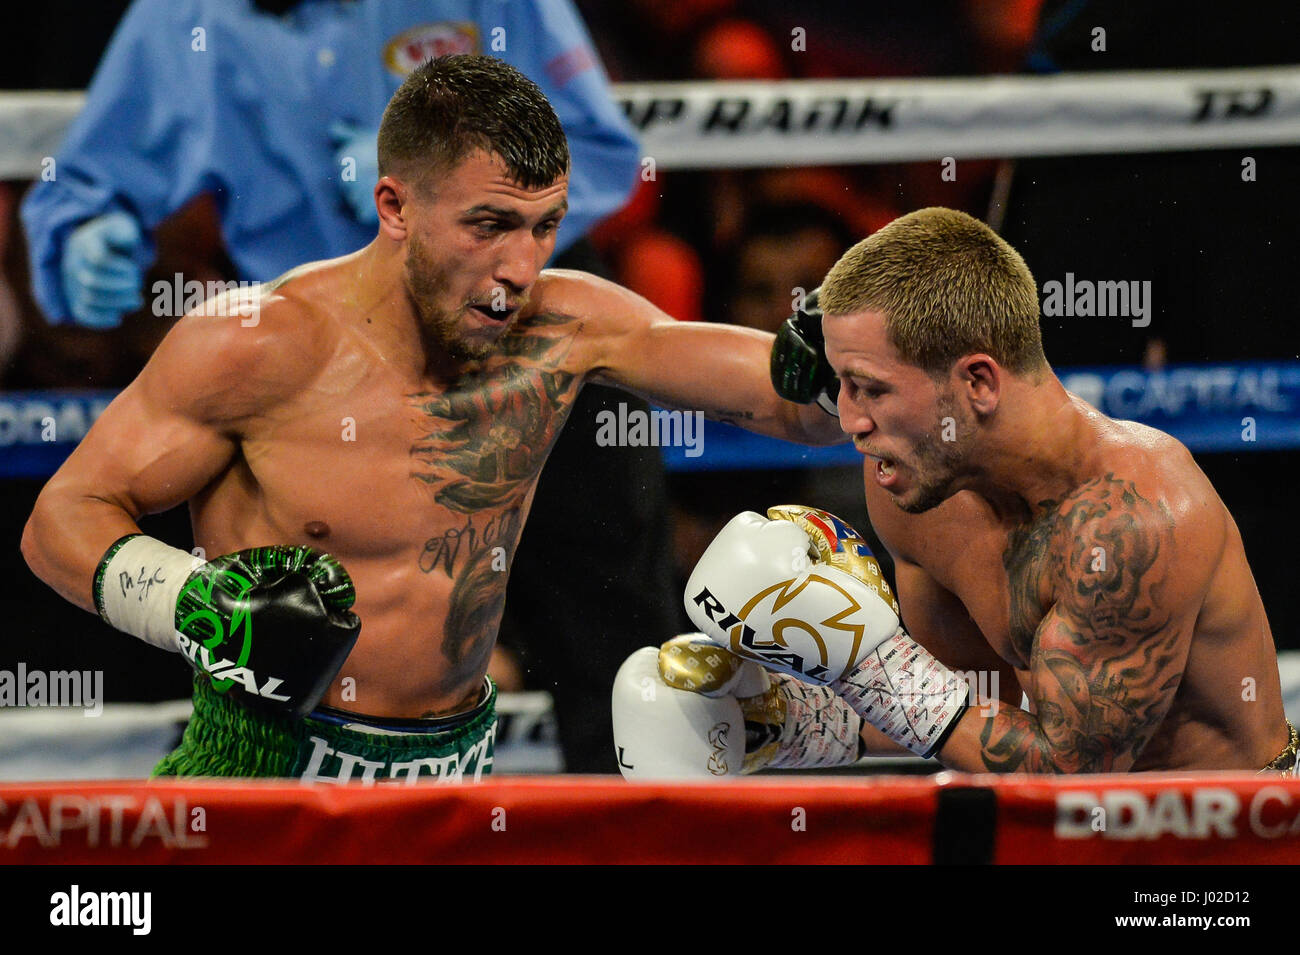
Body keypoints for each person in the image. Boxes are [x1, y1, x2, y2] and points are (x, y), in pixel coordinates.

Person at [20, 55, 841, 782]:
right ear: (395, 206)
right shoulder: (256, 345)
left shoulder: (568, 329)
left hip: (450, 783)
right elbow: (60, 518)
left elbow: (796, 407)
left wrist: (832, 363)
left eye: (542, 226)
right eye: (487, 226)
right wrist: (193, 602)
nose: (518, 268)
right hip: (267, 772)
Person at [619, 207, 1294, 777]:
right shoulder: (914, 487)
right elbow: (973, 706)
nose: (849, 421)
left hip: (1227, 844)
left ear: (977, 382)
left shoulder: (1132, 524)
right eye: (845, 386)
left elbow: (1072, 775)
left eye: (872, 388)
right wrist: (789, 721)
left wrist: (867, 661)